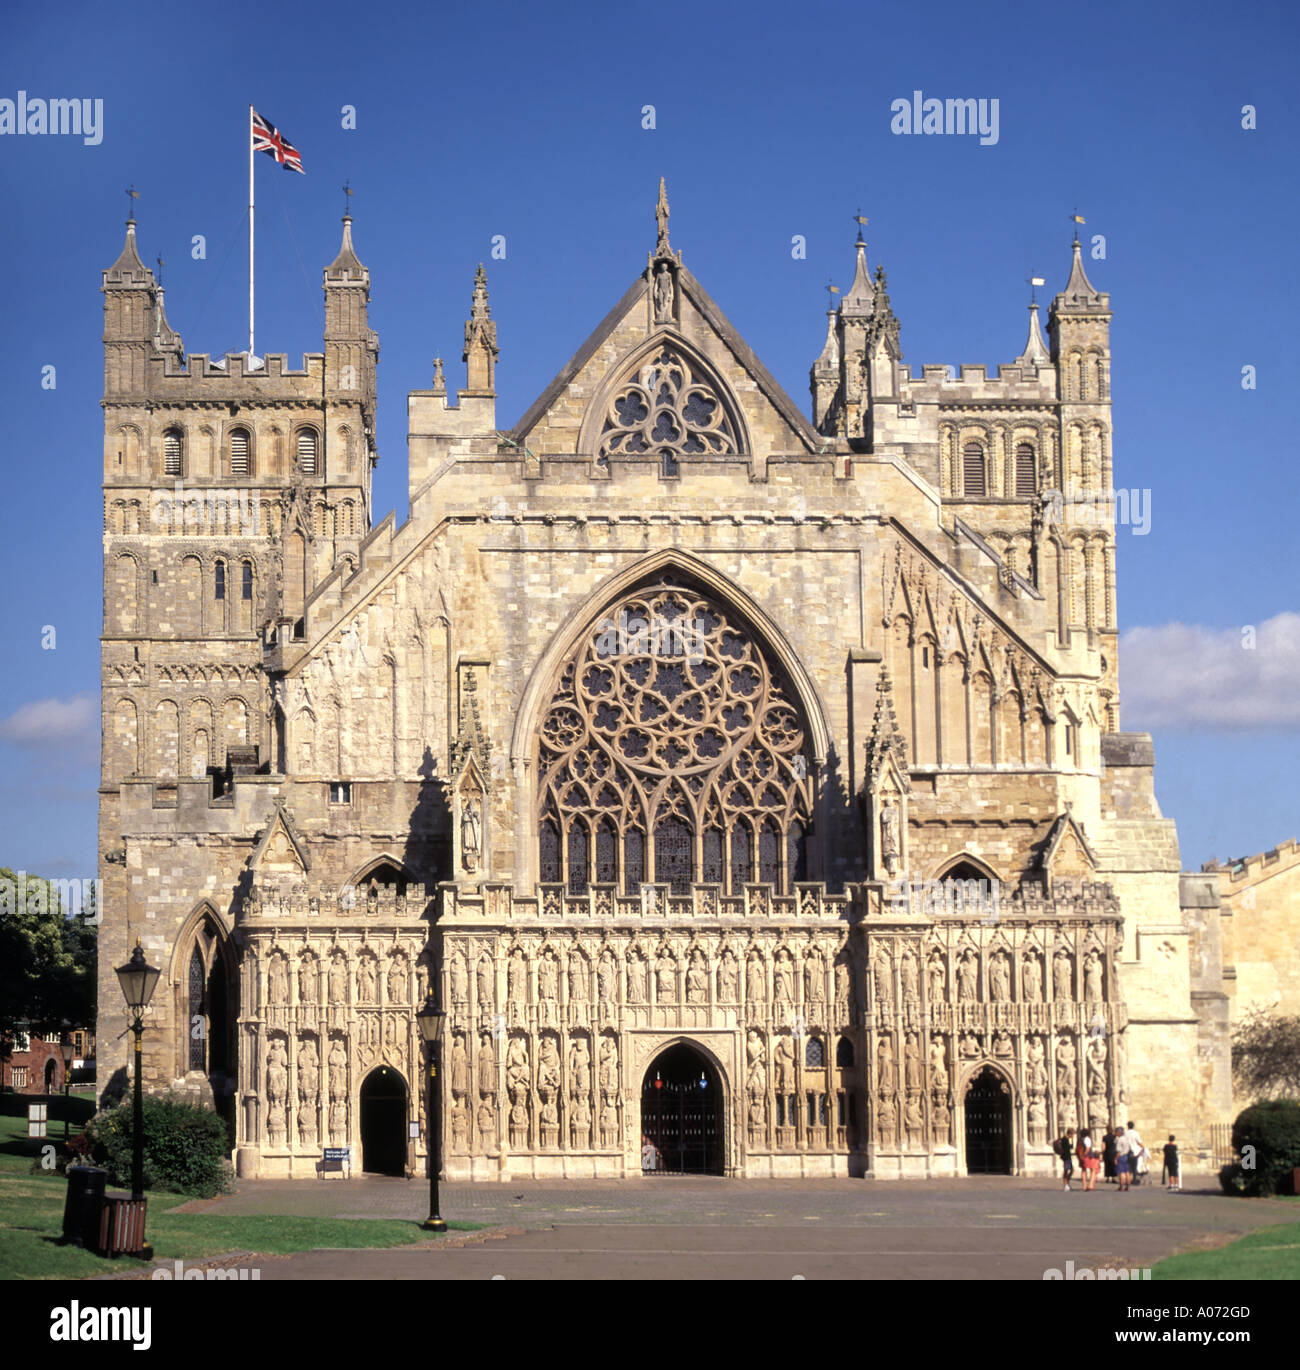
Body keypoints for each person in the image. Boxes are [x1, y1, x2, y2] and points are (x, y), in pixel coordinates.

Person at [1125, 1120, 1147, 1187]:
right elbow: (1138, 1141)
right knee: (1134, 1166)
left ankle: (1128, 1179)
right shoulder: (1135, 1133)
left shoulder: (1125, 1133)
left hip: (1128, 1150)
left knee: (1128, 1166)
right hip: (1135, 1151)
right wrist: (1143, 1147)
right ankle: (1134, 1179)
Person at [1077, 1127, 1099, 1192]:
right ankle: (1091, 1185)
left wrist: (1081, 1156)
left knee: (1084, 1170)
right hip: (1087, 1156)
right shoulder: (1087, 1139)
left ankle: (1084, 1186)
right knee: (1093, 1169)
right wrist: (1085, 1155)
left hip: (1081, 1156)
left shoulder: (1079, 1139)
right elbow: (1088, 1148)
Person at [1114, 1122, 1132, 1191]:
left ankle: (1121, 1186)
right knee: (1127, 1171)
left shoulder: (1120, 1140)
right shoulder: (1126, 1139)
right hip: (1126, 1156)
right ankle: (1127, 1186)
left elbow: (1118, 1151)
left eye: (1116, 1132)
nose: (1115, 1133)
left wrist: (1116, 1159)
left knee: (1121, 1172)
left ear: (1119, 1132)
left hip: (1121, 1156)